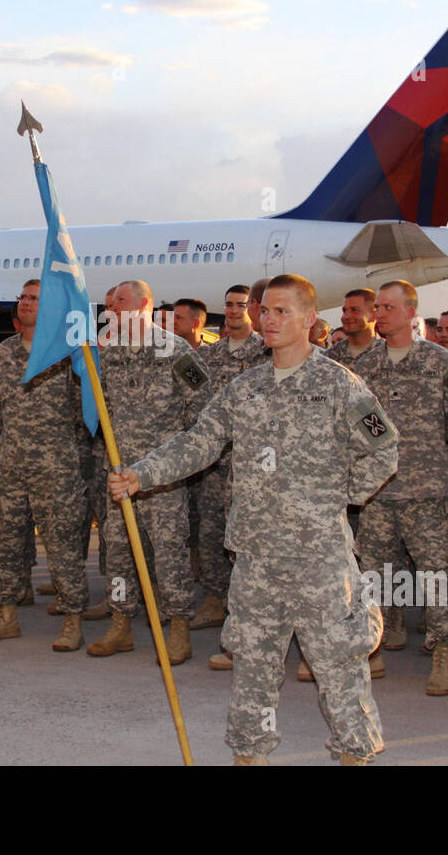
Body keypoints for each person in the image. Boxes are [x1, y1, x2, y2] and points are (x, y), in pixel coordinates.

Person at [109, 274, 397, 765]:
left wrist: (334, 500)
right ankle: (249, 756)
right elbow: (198, 443)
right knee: (253, 670)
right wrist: (140, 475)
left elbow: (383, 448)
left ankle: (354, 755)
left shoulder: (338, 385)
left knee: (340, 668)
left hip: (320, 561)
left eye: (282, 311)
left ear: (309, 320)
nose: (269, 319)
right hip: (257, 559)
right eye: (266, 311)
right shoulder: (245, 388)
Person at [351, 280, 448, 695]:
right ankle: (374, 649)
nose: (378, 314)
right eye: (377, 307)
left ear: (409, 313)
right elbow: (361, 422)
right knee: (375, 575)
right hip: (380, 492)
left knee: (440, 574)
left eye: (387, 307)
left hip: (427, 490)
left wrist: (437, 463)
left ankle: (442, 654)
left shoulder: (442, 363)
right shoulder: (366, 366)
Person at [87, 280, 211, 665]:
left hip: (162, 478)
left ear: (143, 304)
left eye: (119, 302)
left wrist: (177, 455)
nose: (112, 309)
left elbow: (204, 406)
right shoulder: (111, 354)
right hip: (120, 476)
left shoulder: (177, 349)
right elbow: (98, 406)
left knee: (169, 553)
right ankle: (121, 624)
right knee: (120, 553)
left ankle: (177, 629)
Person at [0, 280, 92, 651]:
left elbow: (84, 411)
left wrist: (72, 456)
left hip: (56, 465)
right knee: (8, 542)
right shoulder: (3, 353)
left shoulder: (67, 353)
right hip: (11, 465)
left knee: (62, 545)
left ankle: (73, 620)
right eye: (22, 297)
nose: (24, 303)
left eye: (34, 298)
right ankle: (6, 615)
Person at [194, 285, 270, 669]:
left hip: (256, 467)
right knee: (211, 534)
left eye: (242, 305)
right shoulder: (206, 356)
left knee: (248, 544)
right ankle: (214, 599)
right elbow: (189, 398)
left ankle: (250, 621)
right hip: (215, 464)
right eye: (229, 305)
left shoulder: (269, 353)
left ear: (252, 310)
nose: (236, 310)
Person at [326, 289, 377, 364]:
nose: (346, 316)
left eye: (354, 310)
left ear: (374, 315)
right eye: (344, 311)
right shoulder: (330, 357)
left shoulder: (390, 354)